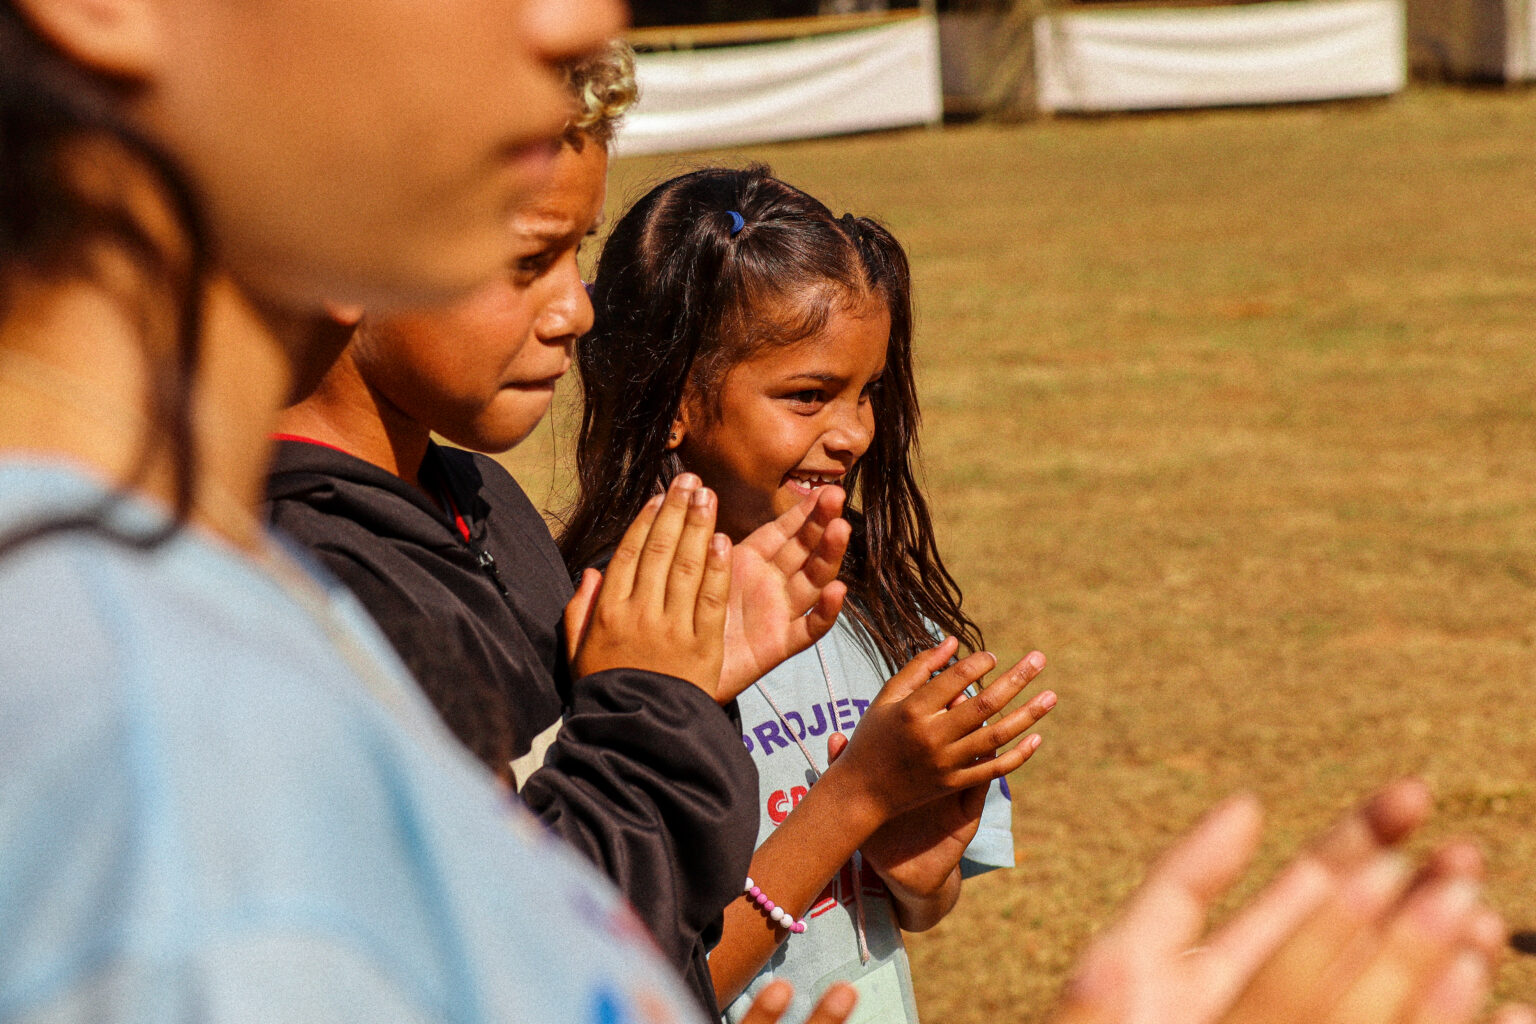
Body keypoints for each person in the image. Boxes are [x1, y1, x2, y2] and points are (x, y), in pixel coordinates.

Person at [266, 42, 847, 1016]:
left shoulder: (484, 501)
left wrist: (690, 683)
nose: (576, 308)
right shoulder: (297, 590)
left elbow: (628, 922)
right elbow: (509, 960)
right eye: (529, 259)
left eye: (577, 252)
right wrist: (653, 707)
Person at [562, 165, 1060, 1021]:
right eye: (809, 396)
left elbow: (915, 909)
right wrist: (853, 800)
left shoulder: (878, 611)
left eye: (867, 394)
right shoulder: (606, 642)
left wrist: (922, 875)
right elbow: (630, 986)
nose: (856, 433)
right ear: (676, 398)